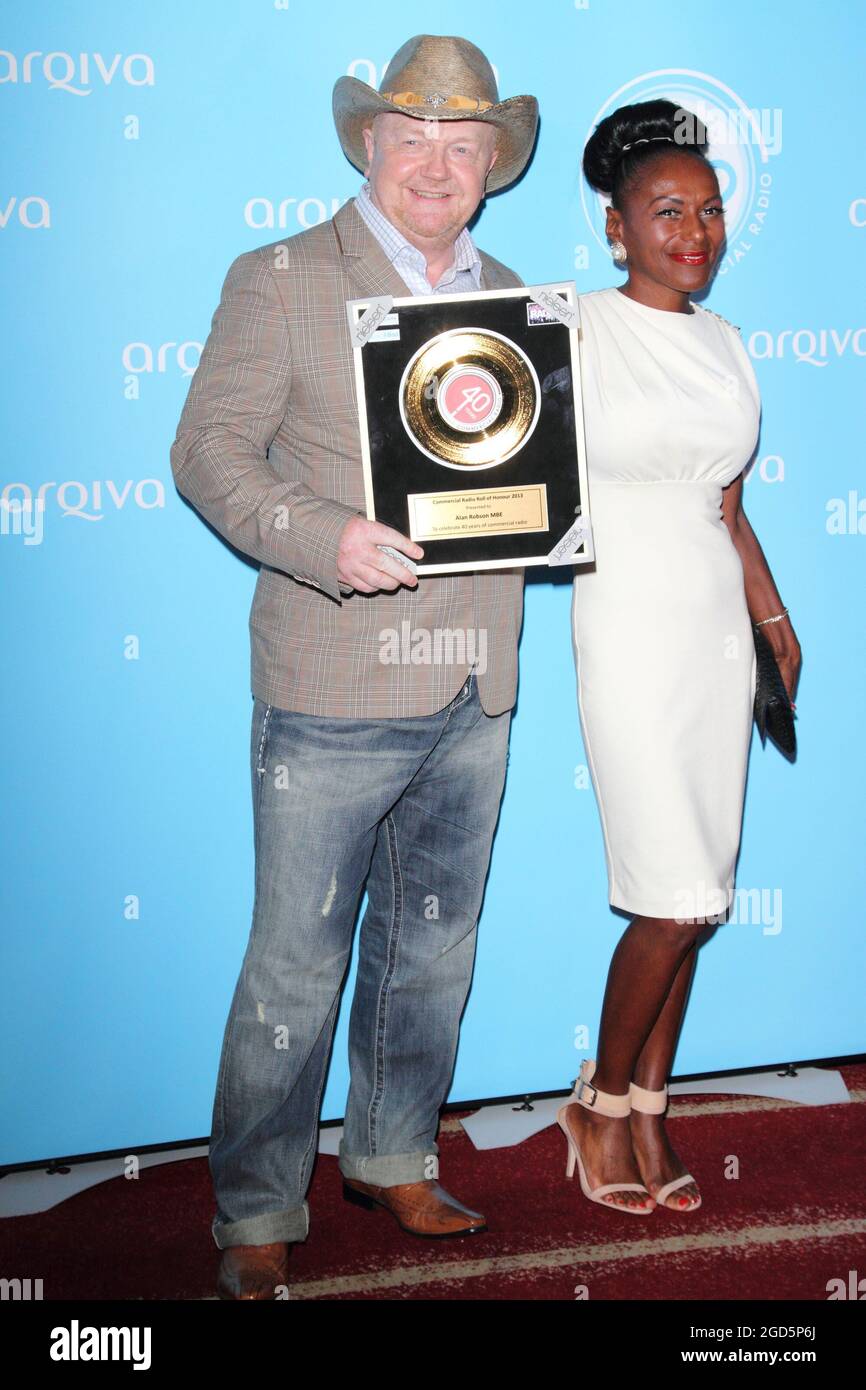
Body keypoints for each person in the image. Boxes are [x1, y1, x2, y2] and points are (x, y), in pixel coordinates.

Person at [169, 34, 538, 1298]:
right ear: (367, 145)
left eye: (462, 144)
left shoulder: (514, 294)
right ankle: (257, 1207)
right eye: (412, 138)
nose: (436, 165)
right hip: (330, 680)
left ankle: (390, 1152)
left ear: (492, 164)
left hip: (474, 678)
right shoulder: (277, 278)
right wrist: (322, 536)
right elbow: (209, 453)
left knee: (433, 951)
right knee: (295, 961)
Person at [557, 100, 801, 1214]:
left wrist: (773, 619)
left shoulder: (725, 342)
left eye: (707, 213)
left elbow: (727, 505)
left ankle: (650, 1110)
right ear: (615, 227)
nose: (693, 233)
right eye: (666, 212)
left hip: (712, 627)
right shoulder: (568, 328)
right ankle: (596, 1102)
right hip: (628, 618)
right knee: (663, 892)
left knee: (697, 890)